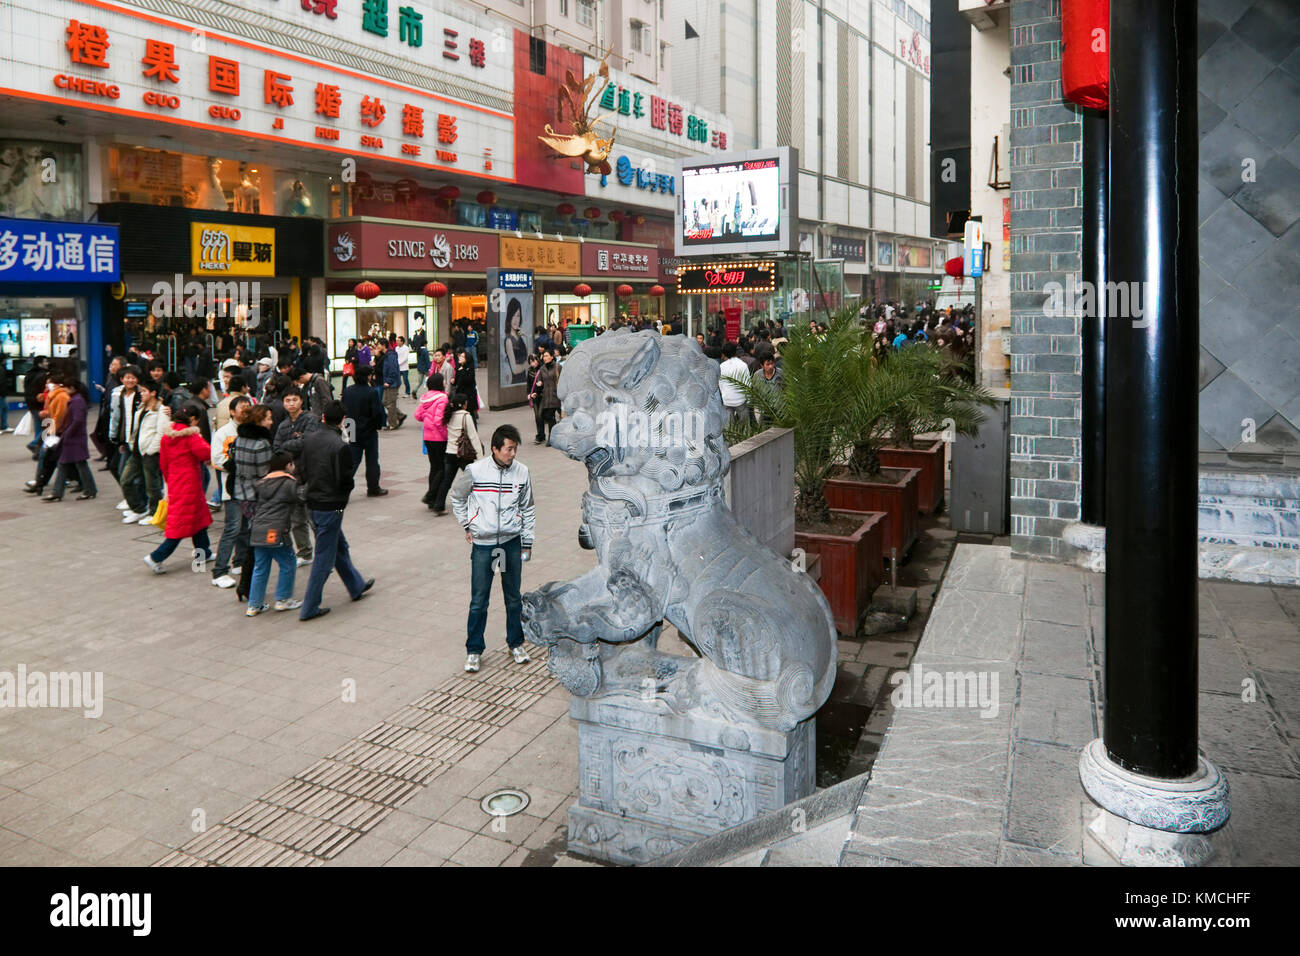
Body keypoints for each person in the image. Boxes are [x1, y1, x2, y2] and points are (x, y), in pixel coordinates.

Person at [450, 424, 534, 672]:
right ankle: (474, 650)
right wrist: (467, 524)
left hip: (510, 544)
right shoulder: (475, 471)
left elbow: (528, 508)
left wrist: (527, 543)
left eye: (515, 448)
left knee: (513, 597)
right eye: (509, 449)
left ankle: (515, 643)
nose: (513, 454)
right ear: (495, 449)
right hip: (484, 546)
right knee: (479, 600)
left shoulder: (522, 472)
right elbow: (457, 497)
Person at [297, 401, 374, 621]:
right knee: (324, 556)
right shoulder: (340, 445)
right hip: (331, 505)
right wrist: (343, 497)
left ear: (322, 418)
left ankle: (355, 585)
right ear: (342, 420)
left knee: (338, 546)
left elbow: (302, 469)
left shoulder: (309, 439)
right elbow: (345, 479)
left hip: (313, 501)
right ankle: (310, 606)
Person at [144, 404, 214, 574]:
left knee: (197, 520)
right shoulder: (191, 436)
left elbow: (164, 463)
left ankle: (204, 553)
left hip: (176, 482)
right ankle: (156, 557)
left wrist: (169, 483)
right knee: (181, 525)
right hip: (190, 484)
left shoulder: (167, 436)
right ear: (194, 420)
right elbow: (205, 453)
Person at [245, 451, 303, 616]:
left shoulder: (261, 483)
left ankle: (254, 605)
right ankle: (283, 600)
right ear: (287, 465)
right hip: (277, 531)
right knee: (288, 563)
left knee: (260, 567)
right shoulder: (289, 484)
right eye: (292, 463)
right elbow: (301, 499)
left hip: (257, 530)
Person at [230, 403, 275, 598]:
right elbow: (265, 475)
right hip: (259, 497)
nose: (271, 422)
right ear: (259, 421)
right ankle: (247, 586)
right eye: (268, 419)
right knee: (259, 542)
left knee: (253, 538)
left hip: (243, 495)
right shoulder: (262, 443)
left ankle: (245, 584)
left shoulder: (240, 439)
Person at [273, 386, 318, 566]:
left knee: (314, 519)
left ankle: (325, 555)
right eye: (287, 400)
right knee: (296, 519)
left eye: (294, 400)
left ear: (301, 401)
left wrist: (288, 444)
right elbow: (276, 448)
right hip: (290, 479)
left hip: (309, 475)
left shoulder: (310, 419)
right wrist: (293, 443)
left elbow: (307, 442)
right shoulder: (283, 425)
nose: (291, 404)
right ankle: (305, 552)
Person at [209, 395, 251, 589]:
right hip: (232, 488)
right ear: (232, 412)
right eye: (241, 408)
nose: (245, 410)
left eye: (247, 407)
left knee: (245, 526)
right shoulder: (223, 433)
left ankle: (239, 561)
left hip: (250, 489)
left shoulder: (252, 431)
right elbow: (217, 459)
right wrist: (240, 465)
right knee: (232, 528)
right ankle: (219, 571)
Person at [43, 378, 96, 502]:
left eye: (66, 387)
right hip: (72, 439)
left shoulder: (77, 401)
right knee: (65, 464)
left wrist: (67, 433)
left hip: (74, 439)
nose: (64, 390)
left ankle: (88, 490)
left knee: (78, 464)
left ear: (72, 388)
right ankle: (59, 492)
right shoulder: (76, 400)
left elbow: (77, 421)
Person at [432, 392, 482, 516]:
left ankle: (439, 505)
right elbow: (473, 436)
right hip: (463, 454)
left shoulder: (449, 414)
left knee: (446, 481)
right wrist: (480, 457)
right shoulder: (466, 416)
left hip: (450, 453)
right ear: (464, 404)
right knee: (474, 480)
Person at [341, 367, 386, 496]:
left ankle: (342, 487)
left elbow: (344, 409)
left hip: (352, 428)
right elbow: (376, 412)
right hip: (368, 429)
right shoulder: (371, 392)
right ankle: (373, 488)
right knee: (371, 460)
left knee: (353, 460)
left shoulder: (347, 391)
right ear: (367, 377)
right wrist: (377, 425)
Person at [414, 372, 449, 510]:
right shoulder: (443, 399)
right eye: (443, 381)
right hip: (439, 439)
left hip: (427, 438)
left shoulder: (426, 398)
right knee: (442, 468)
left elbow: (417, 415)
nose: (445, 383)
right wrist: (445, 436)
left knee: (434, 467)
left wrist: (426, 419)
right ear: (440, 383)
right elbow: (439, 421)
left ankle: (431, 499)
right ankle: (431, 495)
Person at [718, 341, 751, 426]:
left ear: (724, 353)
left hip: (727, 400)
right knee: (744, 427)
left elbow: (720, 384)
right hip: (741, 399)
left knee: (729, 428)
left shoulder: (722, 366)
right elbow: (747, 383)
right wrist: (749, 399)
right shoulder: (742, 365)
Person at [533, 347, 561, 444]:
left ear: (552, 357)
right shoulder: (542, 369)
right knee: (546, 416)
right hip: (545, 396)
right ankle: (552, 436)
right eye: (543, 356)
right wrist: (539, 385)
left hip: (555, 395)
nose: (544, 358)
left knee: (550, 415)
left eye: (546, 356)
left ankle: (551, 438)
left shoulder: (558, 367)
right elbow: (539, 382)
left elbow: (563, 380)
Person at [381, 340, 406, 429]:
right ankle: (400, 415)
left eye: (378, 345)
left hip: (392, 383)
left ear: (383, 345)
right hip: (388, 381)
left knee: (390, 403)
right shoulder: (386, 355)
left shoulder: (390, 355)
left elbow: (393, 369)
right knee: (384, 401)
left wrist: (389, 381)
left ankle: (392, 424)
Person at [453, 349, 478, 424]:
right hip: (460, 396)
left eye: (462, 357)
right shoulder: (459, 367)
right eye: (460, 356)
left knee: (470, 416)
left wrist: (461, 371)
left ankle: (473, 433)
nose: (460, 357)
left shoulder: (469, 369)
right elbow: (457, 382)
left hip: (468, 397)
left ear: (467, 359)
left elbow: (468, 380)